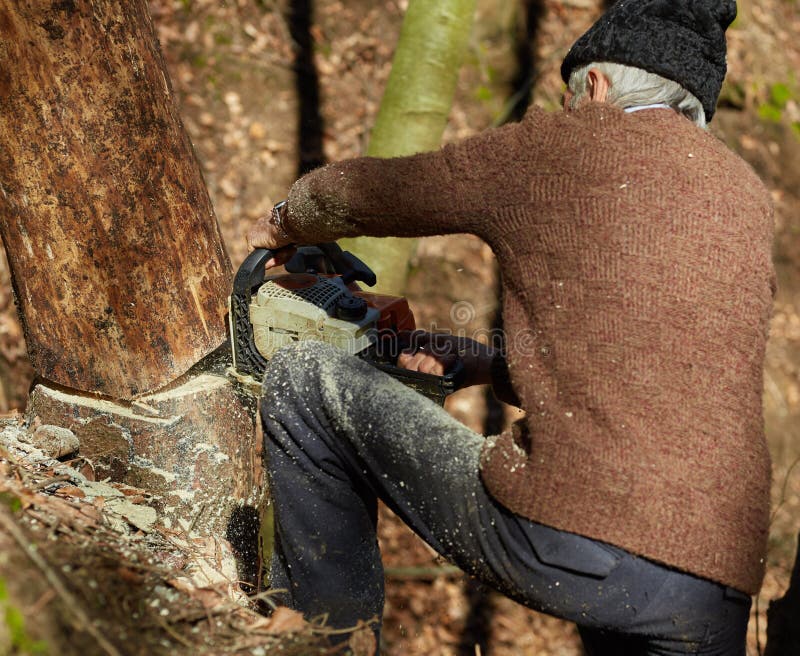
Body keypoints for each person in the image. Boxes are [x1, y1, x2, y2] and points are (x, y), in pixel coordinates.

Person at [247, 1, 775, 653]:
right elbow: (655, 380)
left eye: (569, 95)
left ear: (597, 85)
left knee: (306, 383)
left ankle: (322, 639)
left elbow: (388, 192)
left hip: (579, 537)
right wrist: (482, 365)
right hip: (713, 582)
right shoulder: (747, 199)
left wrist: (287, 220)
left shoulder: (566, 145)